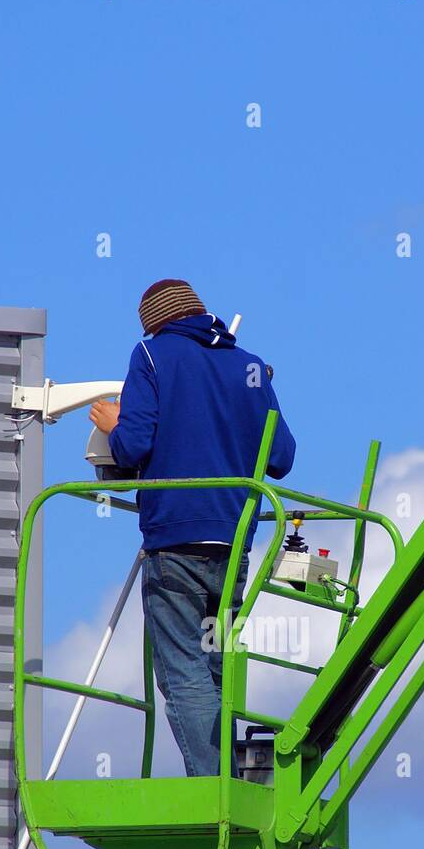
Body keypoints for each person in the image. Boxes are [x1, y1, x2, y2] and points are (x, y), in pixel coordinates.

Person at [89, 279, 296, 778]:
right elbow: (282, 458)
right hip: (235, 542)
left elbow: (134, 447)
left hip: (175, 539)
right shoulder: (247, 363)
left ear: (154, 322)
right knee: (218, 666)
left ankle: (213, 787)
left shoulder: (152, 354)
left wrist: (114, 425)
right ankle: (245, 778)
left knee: (183, 669)